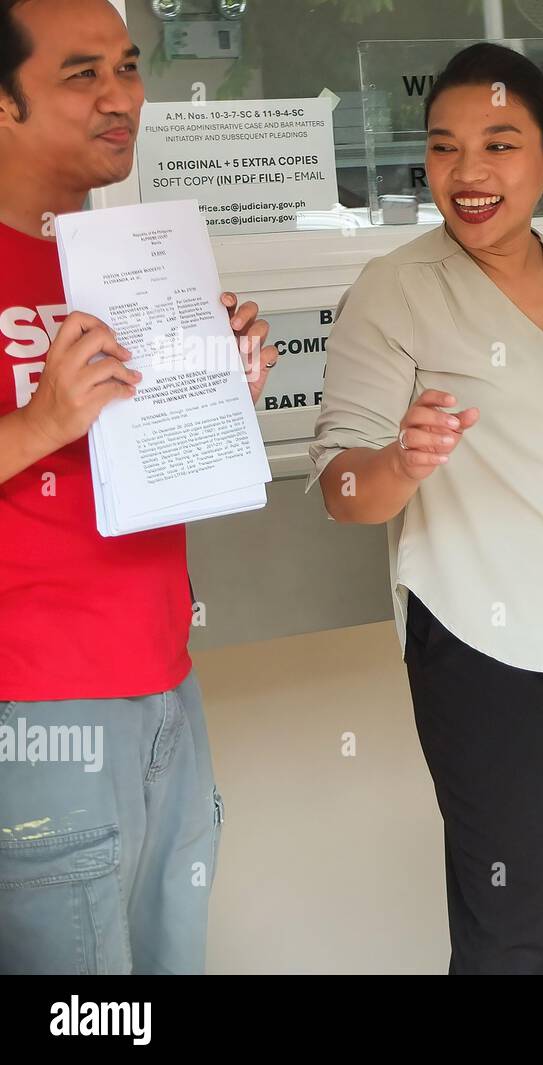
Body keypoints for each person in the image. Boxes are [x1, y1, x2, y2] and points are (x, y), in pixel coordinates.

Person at [309, 43, 543, 975]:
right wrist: (403, 458)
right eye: (445, 149)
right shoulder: (396, 291)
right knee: (520, 930)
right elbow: (341, 490)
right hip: (484, 652)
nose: (469, 174)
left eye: (500, 144)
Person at [0, 0, 275, 973]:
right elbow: (54, 433)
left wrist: (219, 390)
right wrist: (40, 422)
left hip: (166, 685)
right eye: (83, 75)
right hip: (34, 714)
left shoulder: (116, 263)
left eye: (128, 67)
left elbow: (144, 470)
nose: (123, 98)